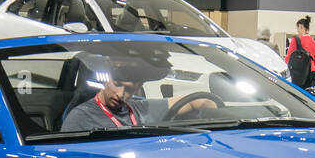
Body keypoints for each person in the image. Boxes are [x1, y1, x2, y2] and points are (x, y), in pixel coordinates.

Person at [60, 59, 215, 132]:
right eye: (117, 85)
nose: (120, 94)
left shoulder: (141, 107)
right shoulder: (80, 118)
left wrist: (215, 115)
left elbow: (198, 101)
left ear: (138, 88)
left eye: (128, 90)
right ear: (107, 80)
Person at [285, 16, 315, 88]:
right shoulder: (314, 42)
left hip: (299, 73)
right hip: (312, 73)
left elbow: (288, 58)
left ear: (300, 26)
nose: (297, 31)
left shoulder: (296, 40)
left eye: (297, 28)